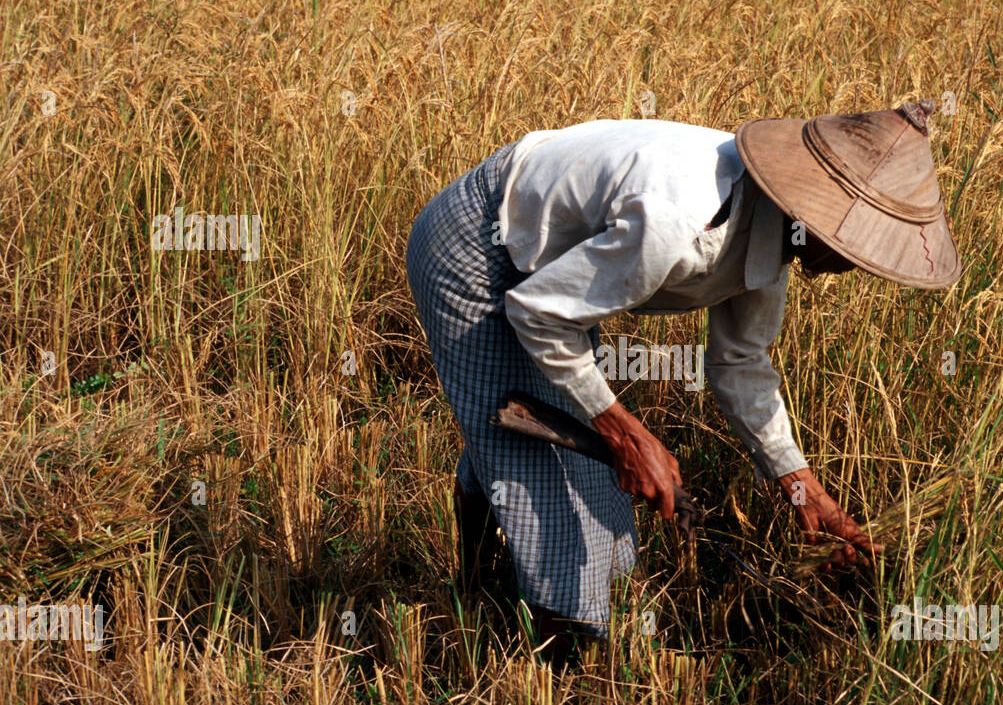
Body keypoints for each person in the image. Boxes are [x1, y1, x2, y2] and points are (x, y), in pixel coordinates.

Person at [405, 99, 961, 649]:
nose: (852, 264)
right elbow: (540, 315)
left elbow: (739, 362)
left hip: (543, 268)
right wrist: (626, 434)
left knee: (534, 444)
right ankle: (555, 659)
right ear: (814, 211)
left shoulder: (774, 225)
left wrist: (803, 491)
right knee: (550, 485)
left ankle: (477, 587)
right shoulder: (681, 224)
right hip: (476, 245)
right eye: (854, 246)